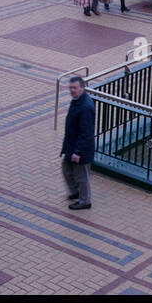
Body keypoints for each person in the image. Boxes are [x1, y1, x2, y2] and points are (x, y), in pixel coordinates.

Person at [60, 76, 95, 210]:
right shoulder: (77, 100)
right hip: (72, 146)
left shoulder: (85, 107)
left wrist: (78, 152)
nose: (72, 90)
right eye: (70, 88)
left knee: (82, 176)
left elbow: (85, 132)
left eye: (75, 88)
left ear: (82, 88)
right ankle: (75, 191)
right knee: (66, 168)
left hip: (80, 149)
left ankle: (85, 201)